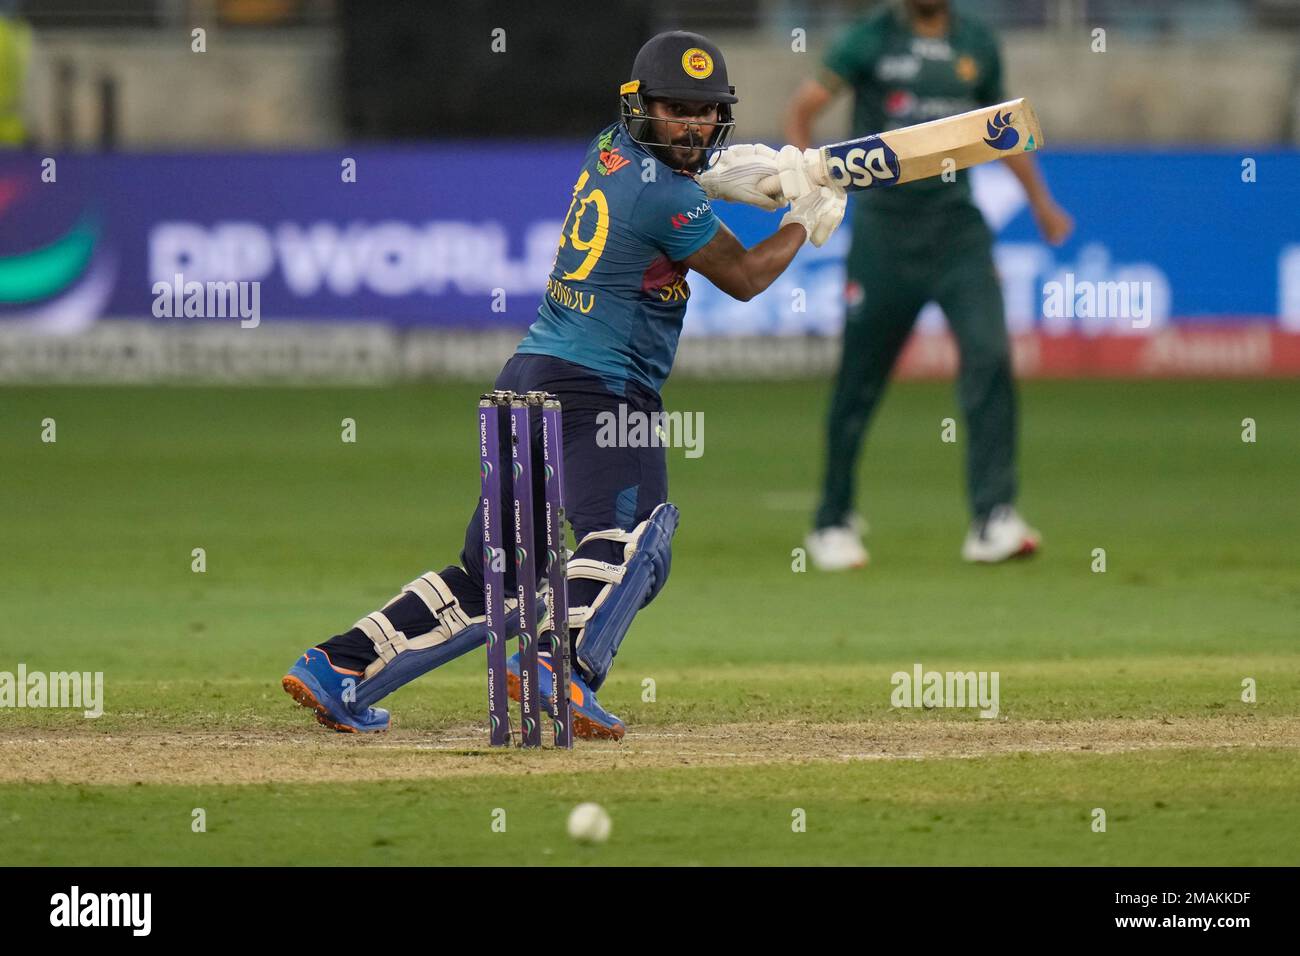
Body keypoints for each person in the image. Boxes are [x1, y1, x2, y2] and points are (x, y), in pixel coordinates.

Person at [281, 30, 846, 738]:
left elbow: (680, 180)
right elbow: (745, 276)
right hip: (602, 390)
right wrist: (801, 218)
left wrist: (731, 173)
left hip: (525, 380)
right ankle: (560, 669)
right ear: (643, 105)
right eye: (678, 109)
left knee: (499, 576)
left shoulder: (609, 145)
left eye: (706, 111)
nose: (694, 124)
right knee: (635, 538)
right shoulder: (667, 198)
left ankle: (340, 665)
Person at [786, 0, 1074, 569]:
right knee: (859, 381)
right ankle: (832, 521)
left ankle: (993, 517)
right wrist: (802, 179)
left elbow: (1000, 130)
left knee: (990, 355)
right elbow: (804, 108)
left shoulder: (977, 44)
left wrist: (1041, 202)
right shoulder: (868, 40)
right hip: (884, 234)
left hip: (958, 232)